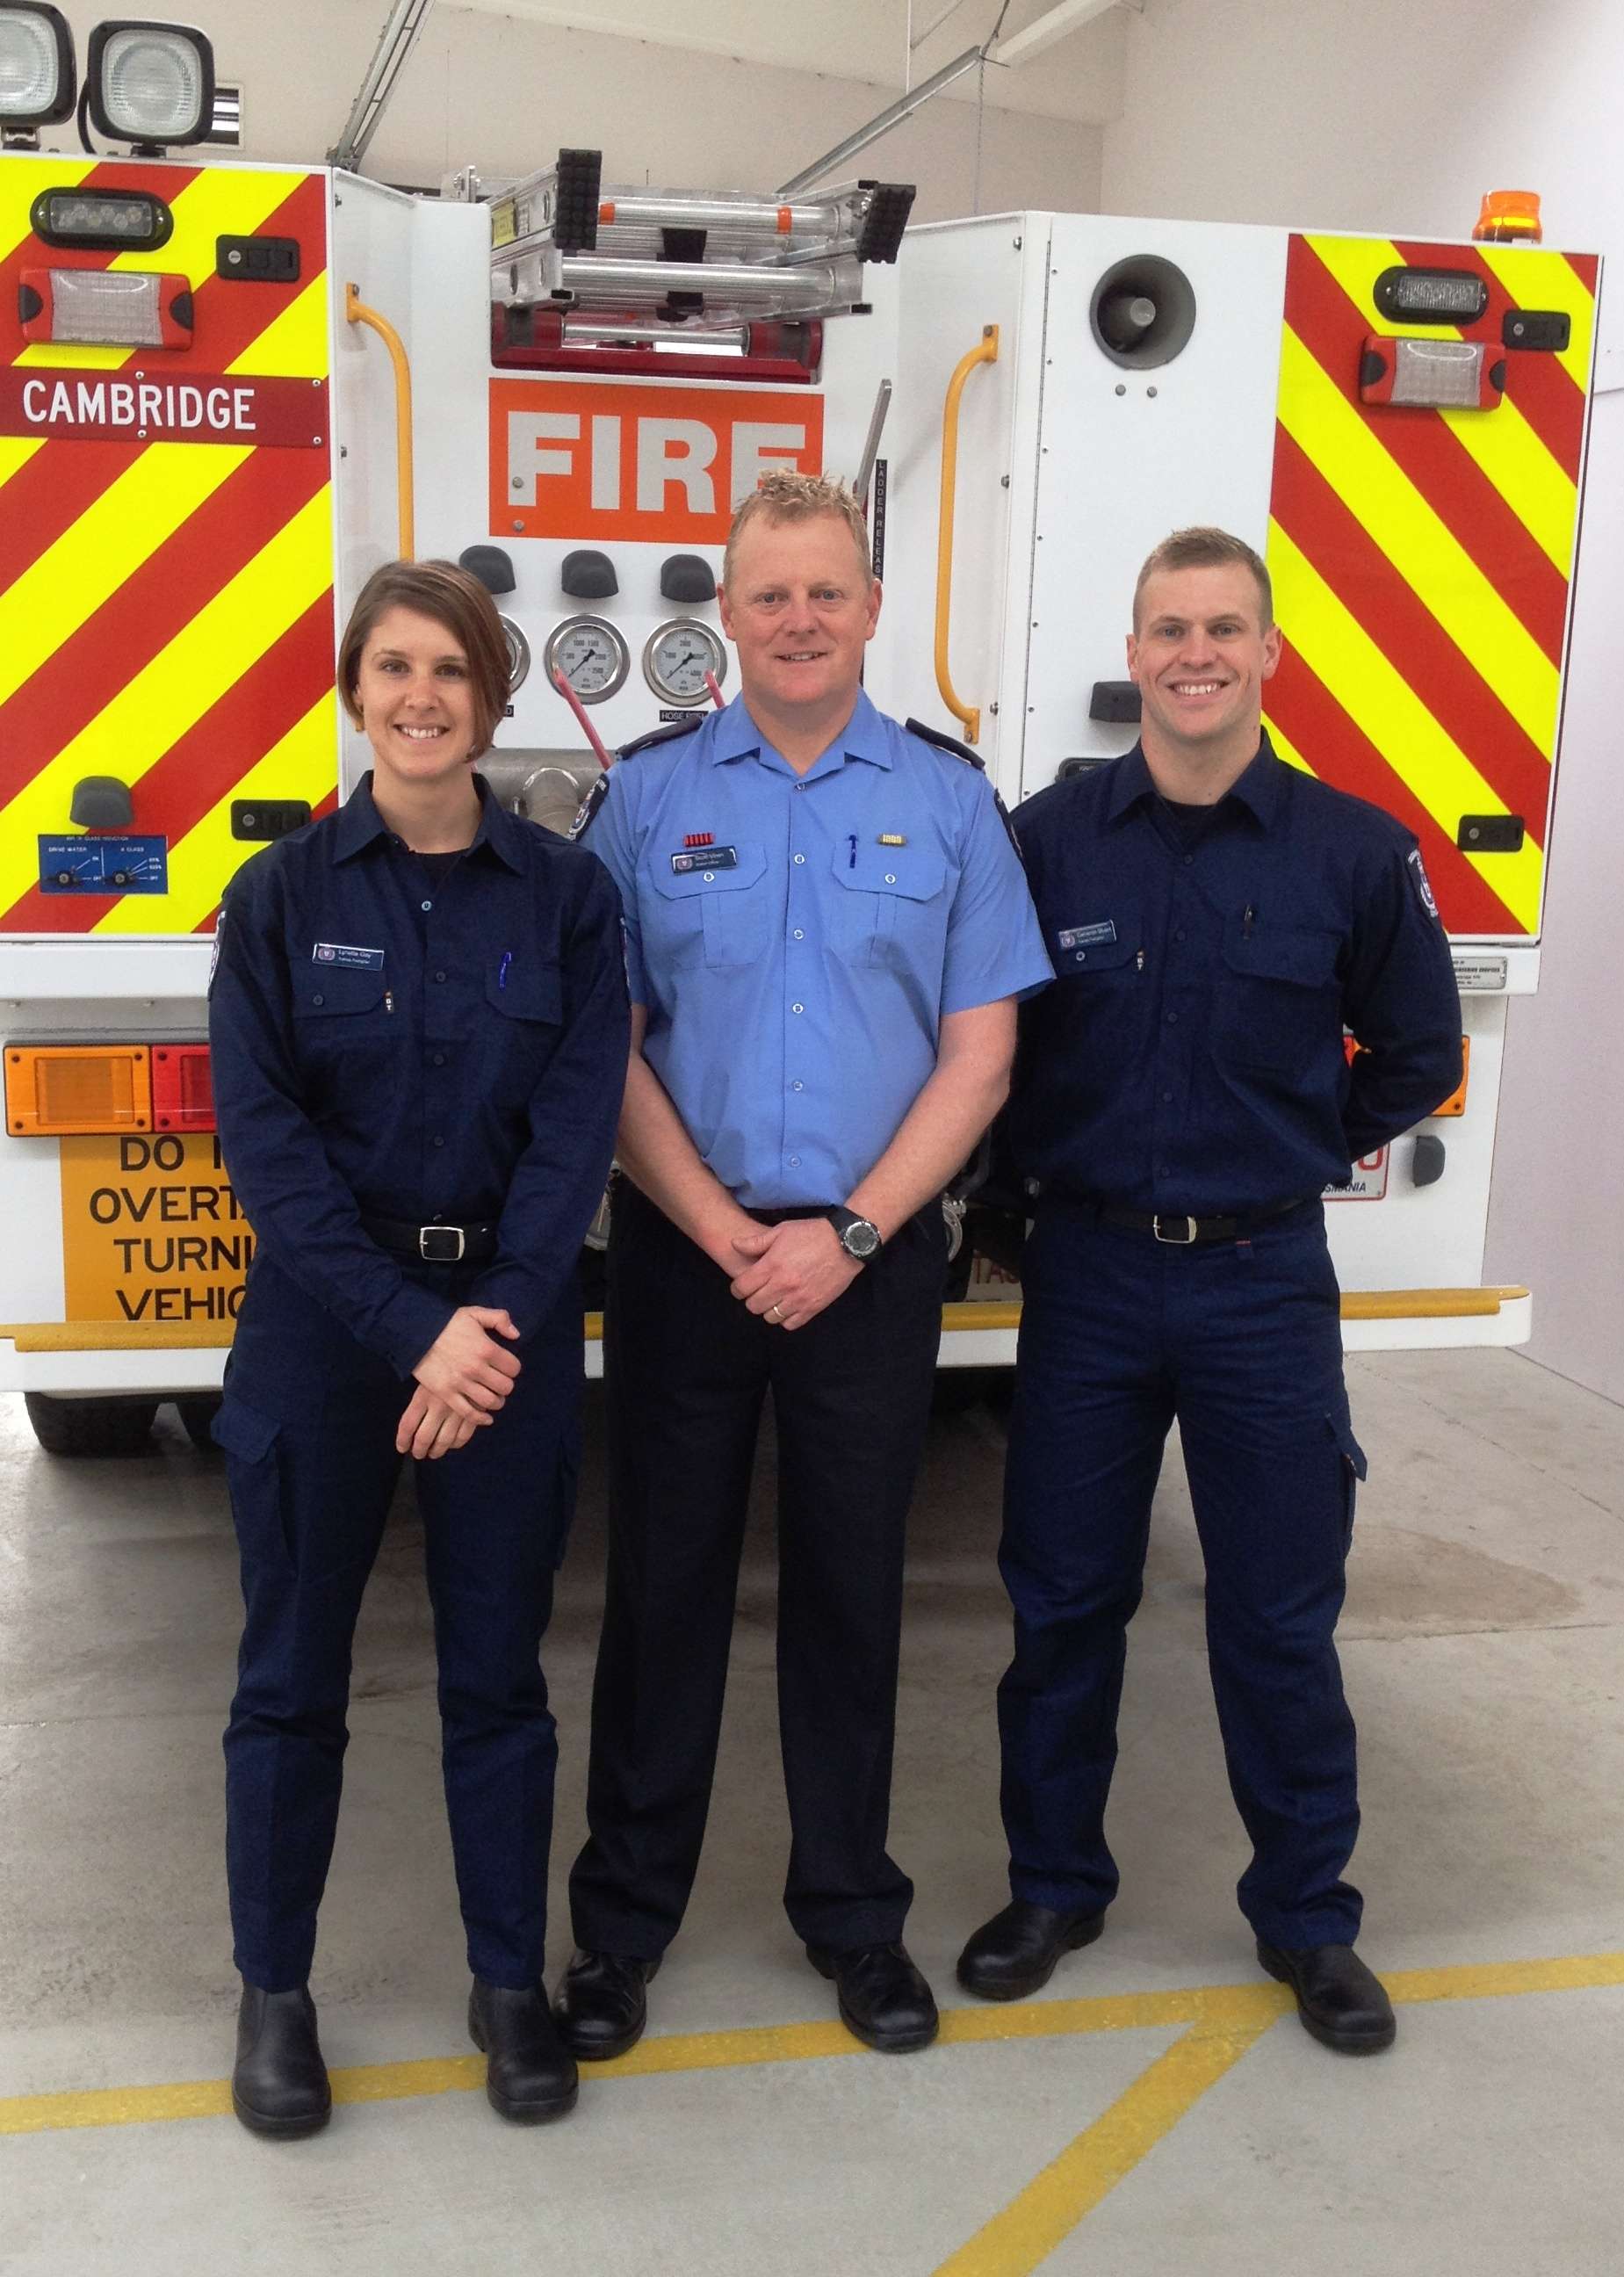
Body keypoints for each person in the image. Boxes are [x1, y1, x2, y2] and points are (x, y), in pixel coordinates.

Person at [553, 471, 1052, 2059]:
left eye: (826, 591)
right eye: (768, 595)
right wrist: (717, 1229)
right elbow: (609, 1050)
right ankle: (621, 1929)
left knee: (854, 1595)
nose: (798, 620)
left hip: (870, 1258)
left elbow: (980, 1056)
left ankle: (853, 1920)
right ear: (727, 618)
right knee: (662, 1591)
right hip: (689, 1252)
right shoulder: (644, 801)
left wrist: (844, 1238)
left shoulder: (953, 802)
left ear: (872, 609)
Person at [958, 527, 1463, 2054]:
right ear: (1136, 648)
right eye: (1169, 626)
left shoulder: (1355, 852)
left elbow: (1422, 1056)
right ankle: (1056, 1885)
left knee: (1279, 1613)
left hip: (1263, 1281)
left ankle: (1308, 1918)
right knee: (1062, 1604)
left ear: (1268, 653)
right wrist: (1009, 1218)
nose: (1195, 653)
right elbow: (986, 1054)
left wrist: (1297, 1146)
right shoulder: (1048, 842)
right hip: (1091, 1276)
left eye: (1223, 628)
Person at [208, 558, 628, 2133]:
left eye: (449, 668)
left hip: (504, 1329)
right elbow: (270, 1153)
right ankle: (276, 1994)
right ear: (355, 692)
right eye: (392, 666)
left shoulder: (570, 900)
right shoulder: (284, 898)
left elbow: (574, 1137)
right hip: (326, 1331)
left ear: (491, 694)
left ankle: (508, 1982)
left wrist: (487, 1328)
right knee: (290, 1680)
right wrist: (412, 1336)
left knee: (499, 1680)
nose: (420, 695)